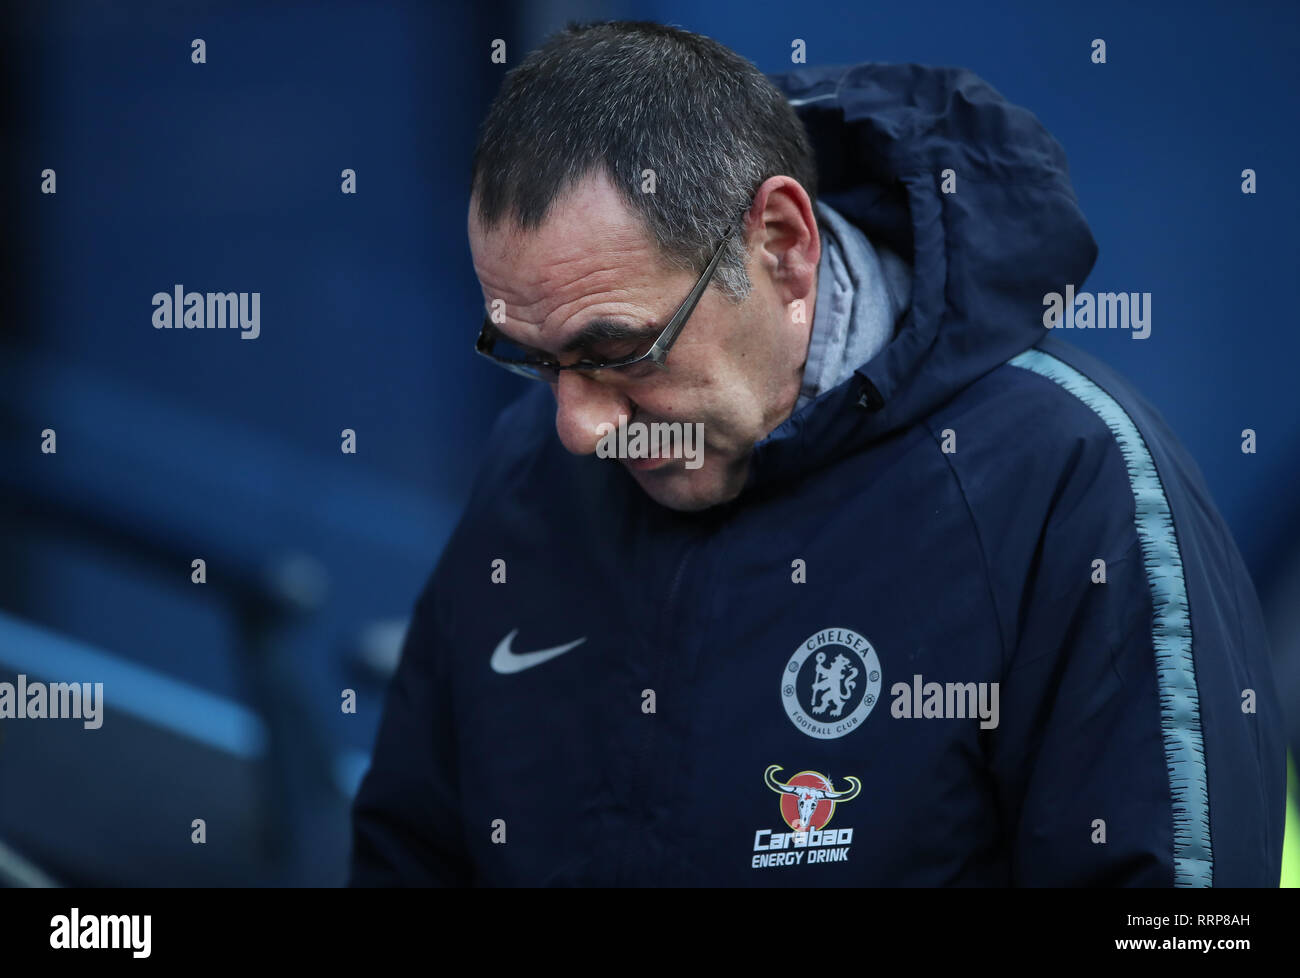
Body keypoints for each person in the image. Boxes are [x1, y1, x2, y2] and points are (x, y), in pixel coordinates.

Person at [349, 20, 1285, 886]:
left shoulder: (1068, 480)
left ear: (782, 246)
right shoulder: (529, 468)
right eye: (533, 359)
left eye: (617, 350)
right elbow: (411, 856)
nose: (580, 427)